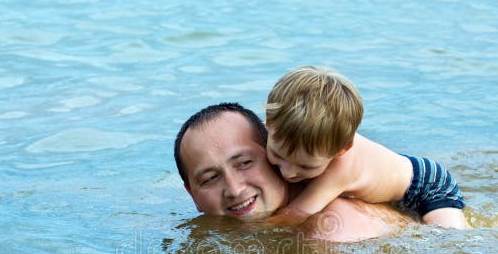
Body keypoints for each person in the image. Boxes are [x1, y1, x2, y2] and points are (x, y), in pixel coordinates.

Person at [174, 103, 415, 242]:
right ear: (191, 194)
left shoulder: (330, 228)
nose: (235, 189)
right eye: (210, 178)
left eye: (245, 163)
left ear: (272, 155)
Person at [264, 66, 468, 229]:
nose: (288, 172)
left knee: (448, 239)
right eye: (277, 155)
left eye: (306, 167)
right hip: (396, 172)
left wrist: (246, 230)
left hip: (428, 185)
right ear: (268, 124)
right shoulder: (294, 133)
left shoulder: (341, 169)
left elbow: (297, 214)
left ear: (342, 150)